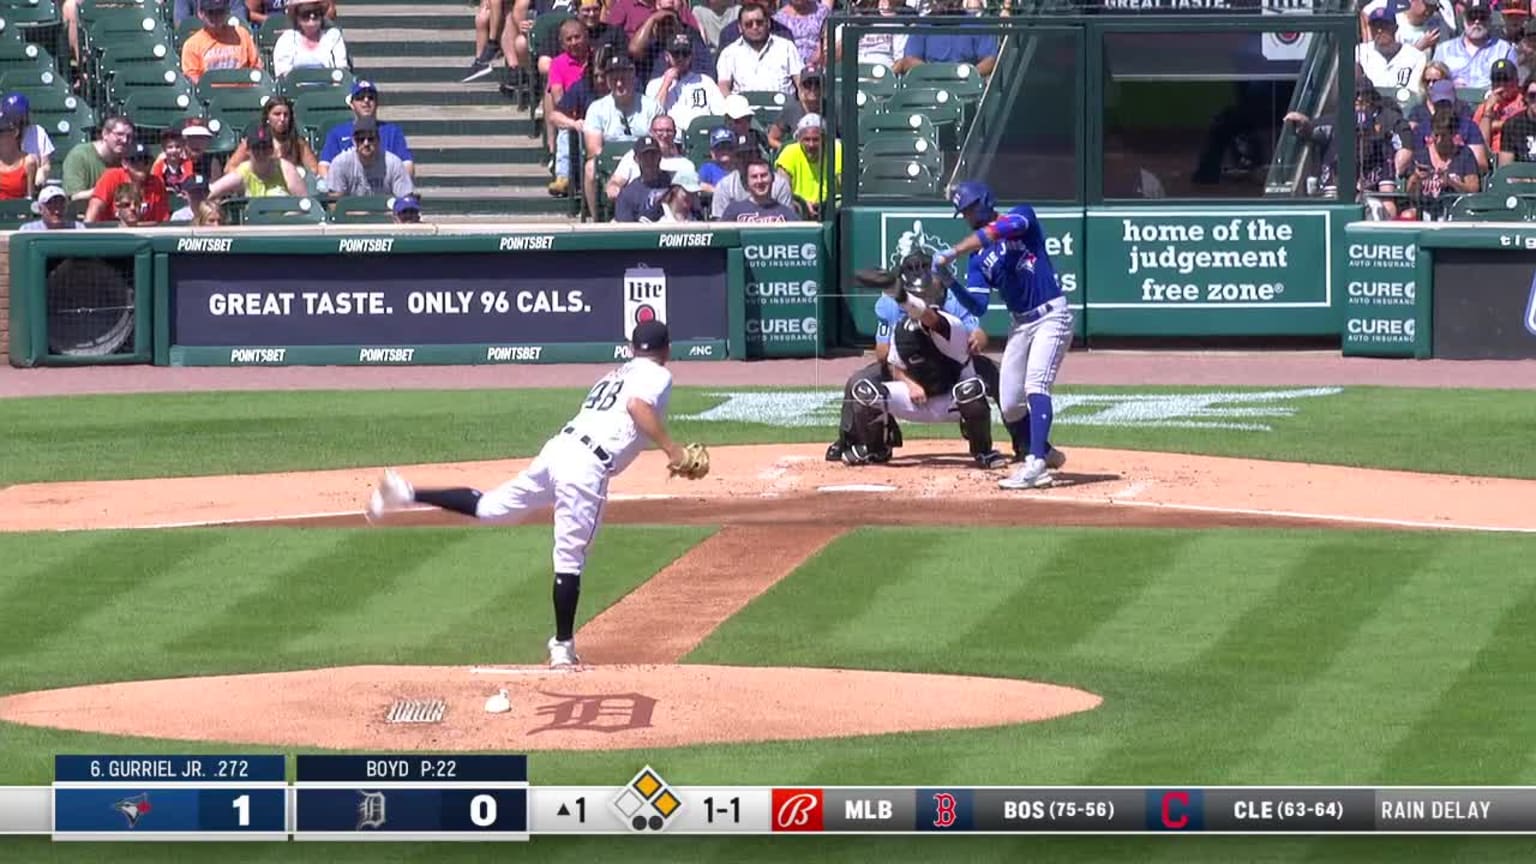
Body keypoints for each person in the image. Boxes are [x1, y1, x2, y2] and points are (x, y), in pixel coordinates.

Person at [366, 320, 710, 669]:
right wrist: (673, 450)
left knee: (491, 507)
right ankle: (562, 646)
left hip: (559, 450)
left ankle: (406, 492)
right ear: (667, 349)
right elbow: (638, 406)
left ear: (632, 348)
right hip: (586, 468)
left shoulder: (614, 374)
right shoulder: (658, 375)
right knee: (570, 556)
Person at [932, 180, 1071, 489]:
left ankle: (1035, 463)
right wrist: (950, 282)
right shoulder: (978, 259)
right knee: (1009, 404)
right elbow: (978, 306)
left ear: (985, 201)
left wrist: (953, 251)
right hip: (1020, 324)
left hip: (1051, 314)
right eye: (963, 212)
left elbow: (994, 232)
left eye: (969, 208)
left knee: (1036, 384)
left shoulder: (1022, 217)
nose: (967, 216)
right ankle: (1045, 451)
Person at [825, 249, 1002, 466]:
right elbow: (887, 356)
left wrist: (898, 292)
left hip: (951, 371)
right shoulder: (902, 328)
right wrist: (909, 381)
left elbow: (936, 320)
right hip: (913, 371)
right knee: (860, 384)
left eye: (926, 293)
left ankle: (1005, 441)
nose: (923, 298)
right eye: (916, 294)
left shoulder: (950, 321)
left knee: (989, 379)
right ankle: (867, 442)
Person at [320, 81, 415, 180]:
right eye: (360, 97)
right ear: (352, 104)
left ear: (377, 103)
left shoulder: (392, 132)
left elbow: (407, 164)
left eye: (371, 97)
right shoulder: (337, 133)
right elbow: (324, 166)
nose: (366, 101)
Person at [224, 96, 321, 177]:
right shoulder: (254, 141)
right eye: (277, 114)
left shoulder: (297, 143)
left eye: (286, 115)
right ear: (267, 117)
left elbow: (314, 169)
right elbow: (229, 168)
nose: (282, 119)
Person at [208, 125, 308, 199]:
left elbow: (305, 201)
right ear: (248, 150)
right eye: (256, 148)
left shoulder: (285, 168)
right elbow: (212, 192)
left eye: (265, 147)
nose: (261, 152)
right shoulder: (244, 171)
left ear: (272, 149)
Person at [324, 116, 415, 197]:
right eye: (361, 139)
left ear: (378, 140)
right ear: (354, 142)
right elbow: (334, 203)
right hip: (350, 214)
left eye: (371, 138)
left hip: (385, 214)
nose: (366, 143)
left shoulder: (393, 163)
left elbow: (406, 198)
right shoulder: (340, 164)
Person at [181, 0, 264, 84]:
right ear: (201, 13)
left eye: (220, 12)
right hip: (212, 94)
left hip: (243, 92)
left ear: (226, 12)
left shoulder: (241, 34)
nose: (216, 17)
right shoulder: (192, 44)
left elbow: (256, 67)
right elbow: (193, 78)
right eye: (211, 12)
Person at [774, 112, 839, 218]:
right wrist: (803, 203)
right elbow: (782, 189)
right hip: (798, 208)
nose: (811, 144)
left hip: (830, 210)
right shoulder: (789, 153)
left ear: (825, 139)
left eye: (816, 139)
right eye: (807, 139)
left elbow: (844, 184)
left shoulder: (836, 150)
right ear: (799, 139)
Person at [1438, 0, 1516, 89]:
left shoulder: (1505, 49)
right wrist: (1450, 85)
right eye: (1472, 17)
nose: (1477, 22)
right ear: (1464, 21)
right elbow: (1433, 81)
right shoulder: (1444, 50)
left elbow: (1513, 85)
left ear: (1490, 21)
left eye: (1482, 17)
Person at [86, 142, 169, 223]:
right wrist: (87, 232)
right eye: (135, 160)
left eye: (146, 160)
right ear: (124, 163)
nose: (141, 165)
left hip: (144, 234)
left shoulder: (156, 183)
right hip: (111, 232)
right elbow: (94, 208)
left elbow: (161, 221)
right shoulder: (112, 177)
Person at [1357, 7, 1427, 94]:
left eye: (1384, 26)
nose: (1379, 30)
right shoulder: (1359, 52)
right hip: (1369, 105)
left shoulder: (1416, 56)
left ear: (1395, 28)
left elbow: (1414, 92)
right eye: (1375, 26)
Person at [272, 0, 349, 78]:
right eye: (306, 13)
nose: (312, 16)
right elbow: (282, 74)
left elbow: (341, 70)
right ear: (297, 17)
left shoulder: (333, 36)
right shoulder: (287, 39)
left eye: (316, 12)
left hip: (328, 88)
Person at [62, 115, 133, 200]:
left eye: (129, 136)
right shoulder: (80, 156)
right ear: (105, 134)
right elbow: (75, 196)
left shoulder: (130, 160)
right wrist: (106, 188)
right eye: (119, 134)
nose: (125, 140)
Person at [611, 134, 674, 221]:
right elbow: (625, 230)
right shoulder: (628, 194)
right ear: (636, 159)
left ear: (659, 157)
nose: (649, 160)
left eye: (653, 155)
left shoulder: (673, 182)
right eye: (645, 156)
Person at [719, 156, 795, 220]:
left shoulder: (786, 213)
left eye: (764, 175)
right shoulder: (733, 210)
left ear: (773, 178)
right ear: (747, 181)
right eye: (754, 177)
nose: (760, 181)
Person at [2, 94, 54, 187]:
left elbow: (46, 164)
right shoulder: (3, 133)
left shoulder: (37, 132)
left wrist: (43, 171)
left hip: (34, 184)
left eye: (19, 115)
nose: (16, 118)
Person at [0, 114, 38, 201]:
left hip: (19, 213)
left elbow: (29, 198)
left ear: (15, 133)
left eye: (1, 133)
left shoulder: (29, 162)